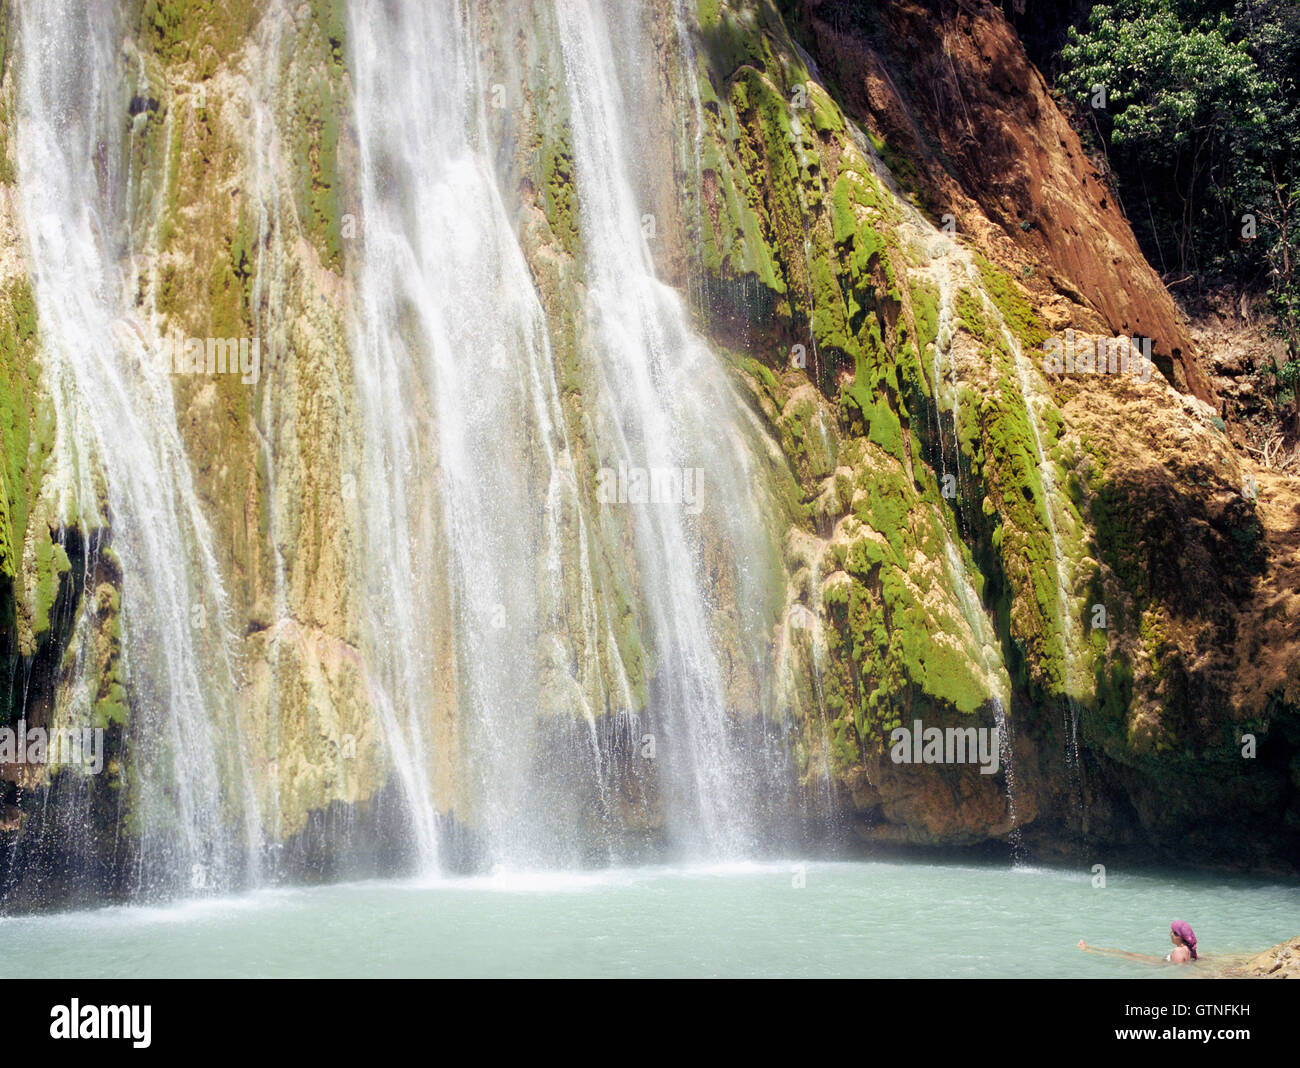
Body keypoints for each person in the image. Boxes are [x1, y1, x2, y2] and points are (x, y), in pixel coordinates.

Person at [1077, 921, 1198, 965]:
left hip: (1158, 964)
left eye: (1172, 932)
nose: (1170, 934)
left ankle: (1088, 950)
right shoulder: (1188, 948)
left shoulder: (1178, 951)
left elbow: (1175, 970)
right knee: (1129, 954)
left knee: (1123, 956)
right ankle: (1091, 947)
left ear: (1179, 936)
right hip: (1161, 961)